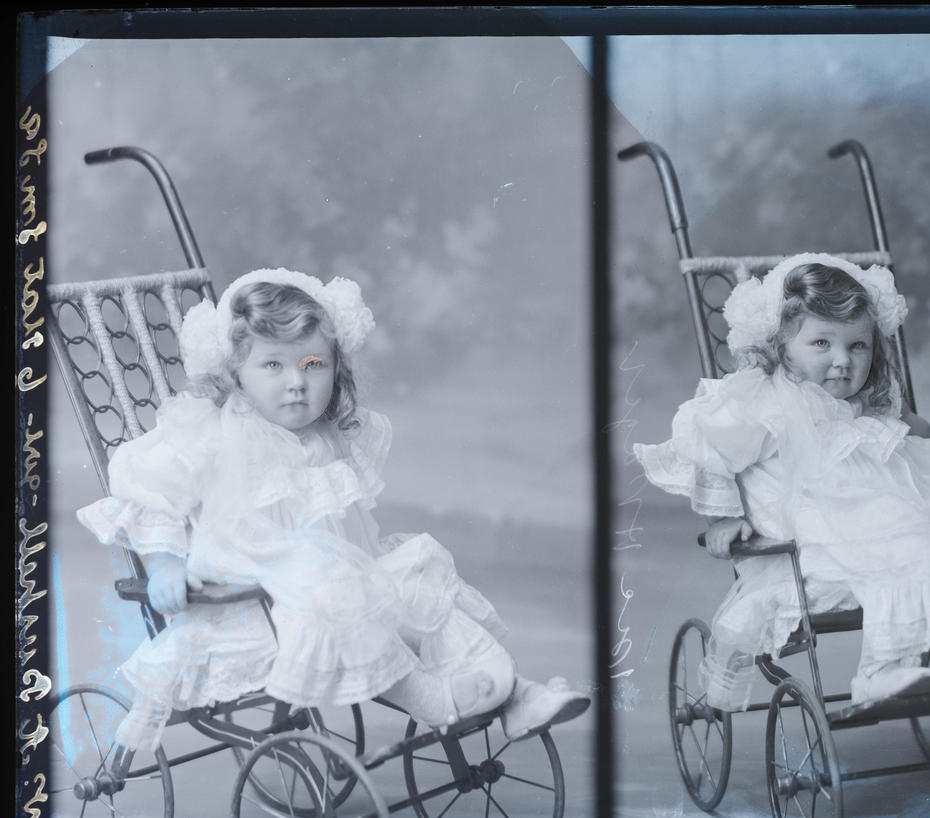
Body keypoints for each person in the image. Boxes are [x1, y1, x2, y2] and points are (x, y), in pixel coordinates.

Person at [78, 268, 588, 753]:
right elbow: (154, 492)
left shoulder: (327, 435)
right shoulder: (213, 433)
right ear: (236, 374)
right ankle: (438, 701)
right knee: (349, 593)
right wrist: (165, 562)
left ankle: (514, 690)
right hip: (254, 603)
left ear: (335, 367)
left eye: (313, 364)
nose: (296, 382)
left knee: (418, 584)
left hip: (340, 584)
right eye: (273, 365)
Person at [633, 253, 930, 710]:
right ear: (782, 346)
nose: (843, 360)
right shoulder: (764, 401)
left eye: (857, 345)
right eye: (821, 343)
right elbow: (709, 444)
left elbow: (902, 438)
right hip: (818, 543)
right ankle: (882, 667)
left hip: (885, 515)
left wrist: (902, 426)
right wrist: (724, 516)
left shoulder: (862, 402)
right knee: (908, 533)